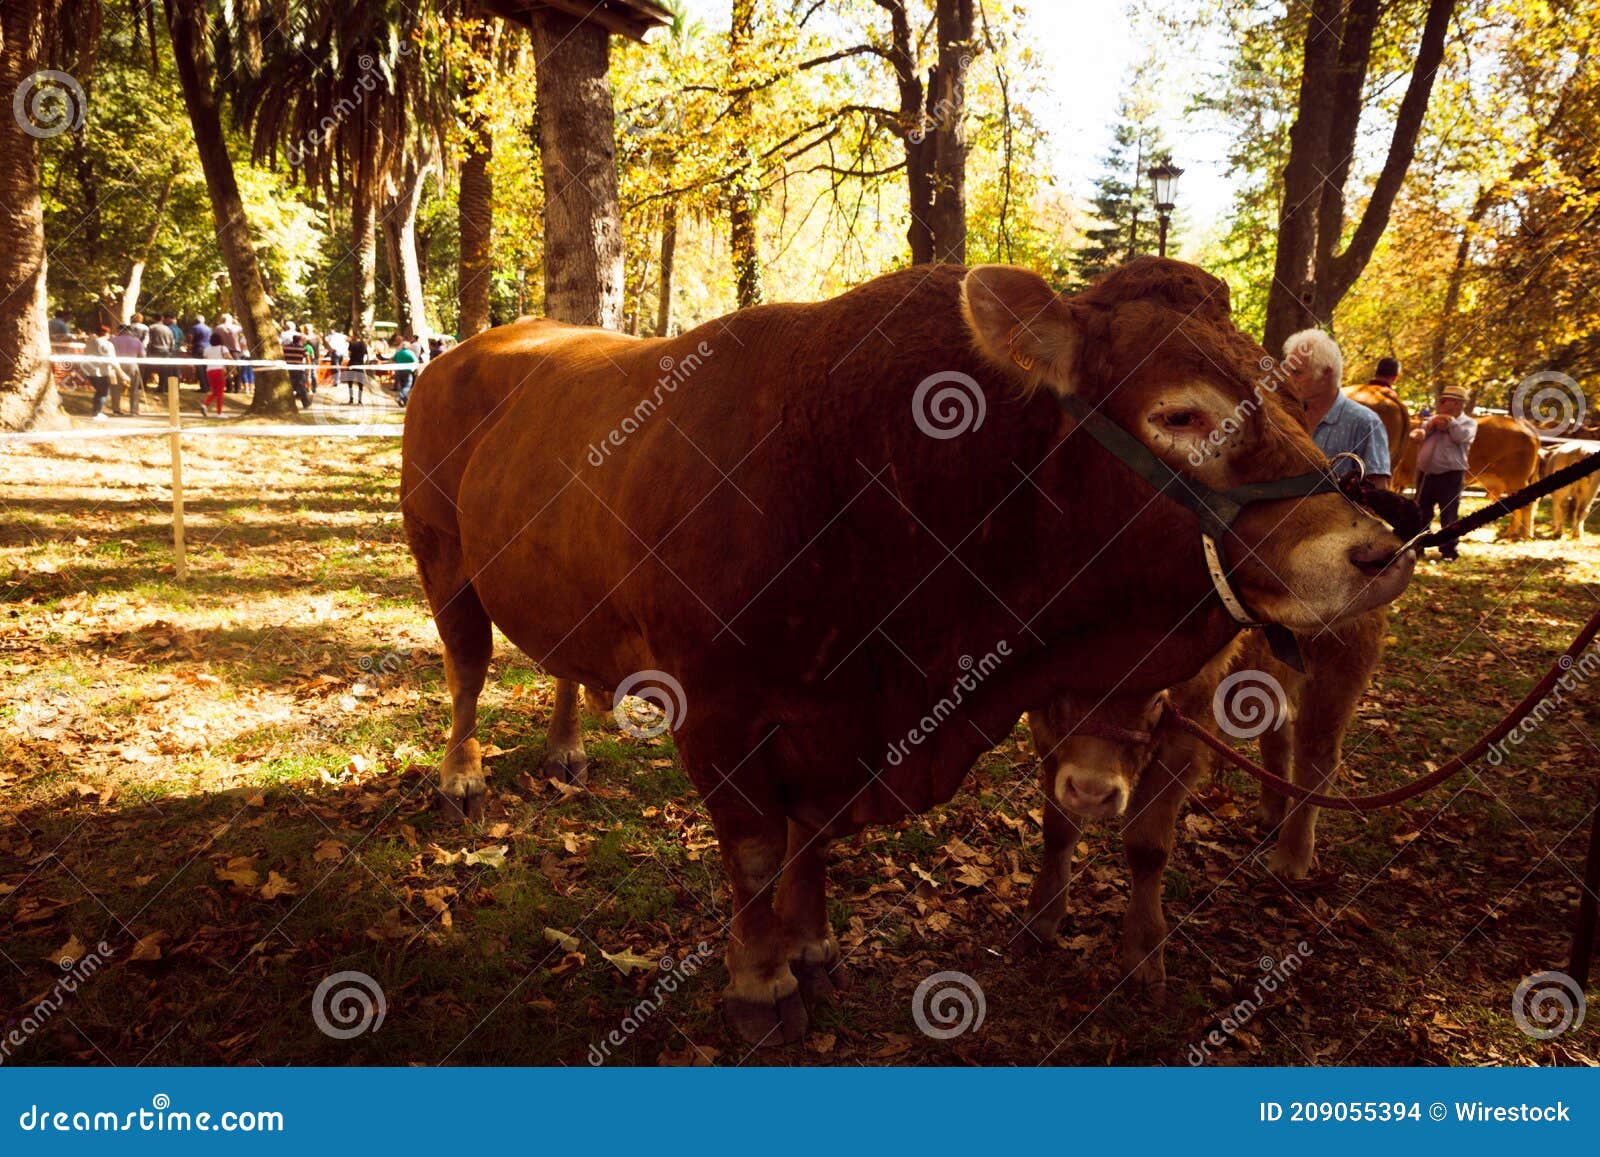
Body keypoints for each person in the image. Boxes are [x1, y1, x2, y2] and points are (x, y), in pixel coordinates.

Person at [1283, 328, 1391, 488]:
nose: (1289, 380)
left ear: (1326, 373)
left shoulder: (1365, 423)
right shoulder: (1287, 417)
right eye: (1288, 371)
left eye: (1297, 373)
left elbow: (1379, 493)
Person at [1410, 384, 1477, 561]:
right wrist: (1425, 429)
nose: (1442, 404)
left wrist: (1450, 424)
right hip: (1426, 473)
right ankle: (1418, 546)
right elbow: (1420, 435)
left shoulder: (1468, 423)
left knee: (1449, 514)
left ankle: (1448, 550)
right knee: (1421, 512)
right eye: (1442, 401)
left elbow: (1462, 436)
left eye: (1446, 401)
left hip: (1451, 475)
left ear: (1458, 404)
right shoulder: (1431, 421)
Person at [83, 326, 128, 420]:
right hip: (100, 372)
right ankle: (96, 413)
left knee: (99, 392)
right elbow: (112, 360)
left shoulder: (89, 343)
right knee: (103, 392)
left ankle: (96, 412)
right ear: (107, 334)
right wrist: (121, 373)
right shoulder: (108, 344)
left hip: (88, 370)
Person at [143, 310, 179, 402]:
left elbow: (148, 340)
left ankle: (143, 386)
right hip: (166, 351)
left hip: (155, 350)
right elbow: (172, 342)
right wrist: (170, 351)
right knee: (164, 370)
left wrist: (146, 350)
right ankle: (161, 388)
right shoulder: (168, 329)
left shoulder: (151, 327)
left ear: (154, 319)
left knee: (148, 368)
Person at [110, 324, 145, 416]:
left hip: (117, 365)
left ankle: (116, 410)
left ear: (119, 330)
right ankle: (134, 411)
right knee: (134, 388)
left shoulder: (112, 340)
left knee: (116, 388)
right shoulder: (137, 341)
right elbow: (142, 355)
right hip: (132, 364)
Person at [201, 331, 231, 416]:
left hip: (209, 371)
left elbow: (205, 358)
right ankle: (219, 412)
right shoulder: (223, 348)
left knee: (214, 391)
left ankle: (205, 405)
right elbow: (229, 357)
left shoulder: (207, 349)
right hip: (220, 370)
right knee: (220, 392)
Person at [391, 334, 419, 407]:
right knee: (407, 386)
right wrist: (416, 370)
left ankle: (405, 402)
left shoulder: (398, 353)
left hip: (399, 372)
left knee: (403, 387)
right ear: (408, 346)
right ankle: (399, 397)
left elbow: (393, 360)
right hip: (407, 372)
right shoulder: (410, 353)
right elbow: (416, 362)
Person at [342, 330, 369, 405]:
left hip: (352, 364)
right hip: (360, 365)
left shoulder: (351, 343)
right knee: (360, 383)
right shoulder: (364, 344)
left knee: (350, 383)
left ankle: (351, 399)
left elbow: (349, 354)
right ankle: (360, 400)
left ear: (355, 336)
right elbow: (366, 355)